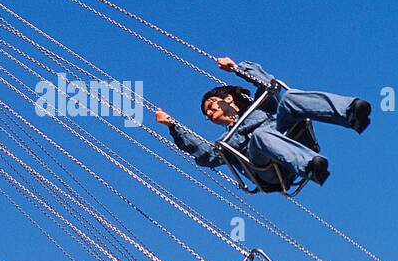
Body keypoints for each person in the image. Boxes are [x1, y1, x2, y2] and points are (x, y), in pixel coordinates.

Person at [155, 56, 370, 189]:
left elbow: (269, 85)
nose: (210, 113)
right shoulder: (225, 142)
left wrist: (237, 69)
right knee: (260, 136)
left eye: (211, 106)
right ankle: (310, 166)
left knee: (289, 98)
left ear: (228, 99)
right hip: (266, 167)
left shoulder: (258, 106)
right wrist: (173, 126)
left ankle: (350, 113)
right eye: (206, 113)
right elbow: (207, 156)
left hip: (288, 136)